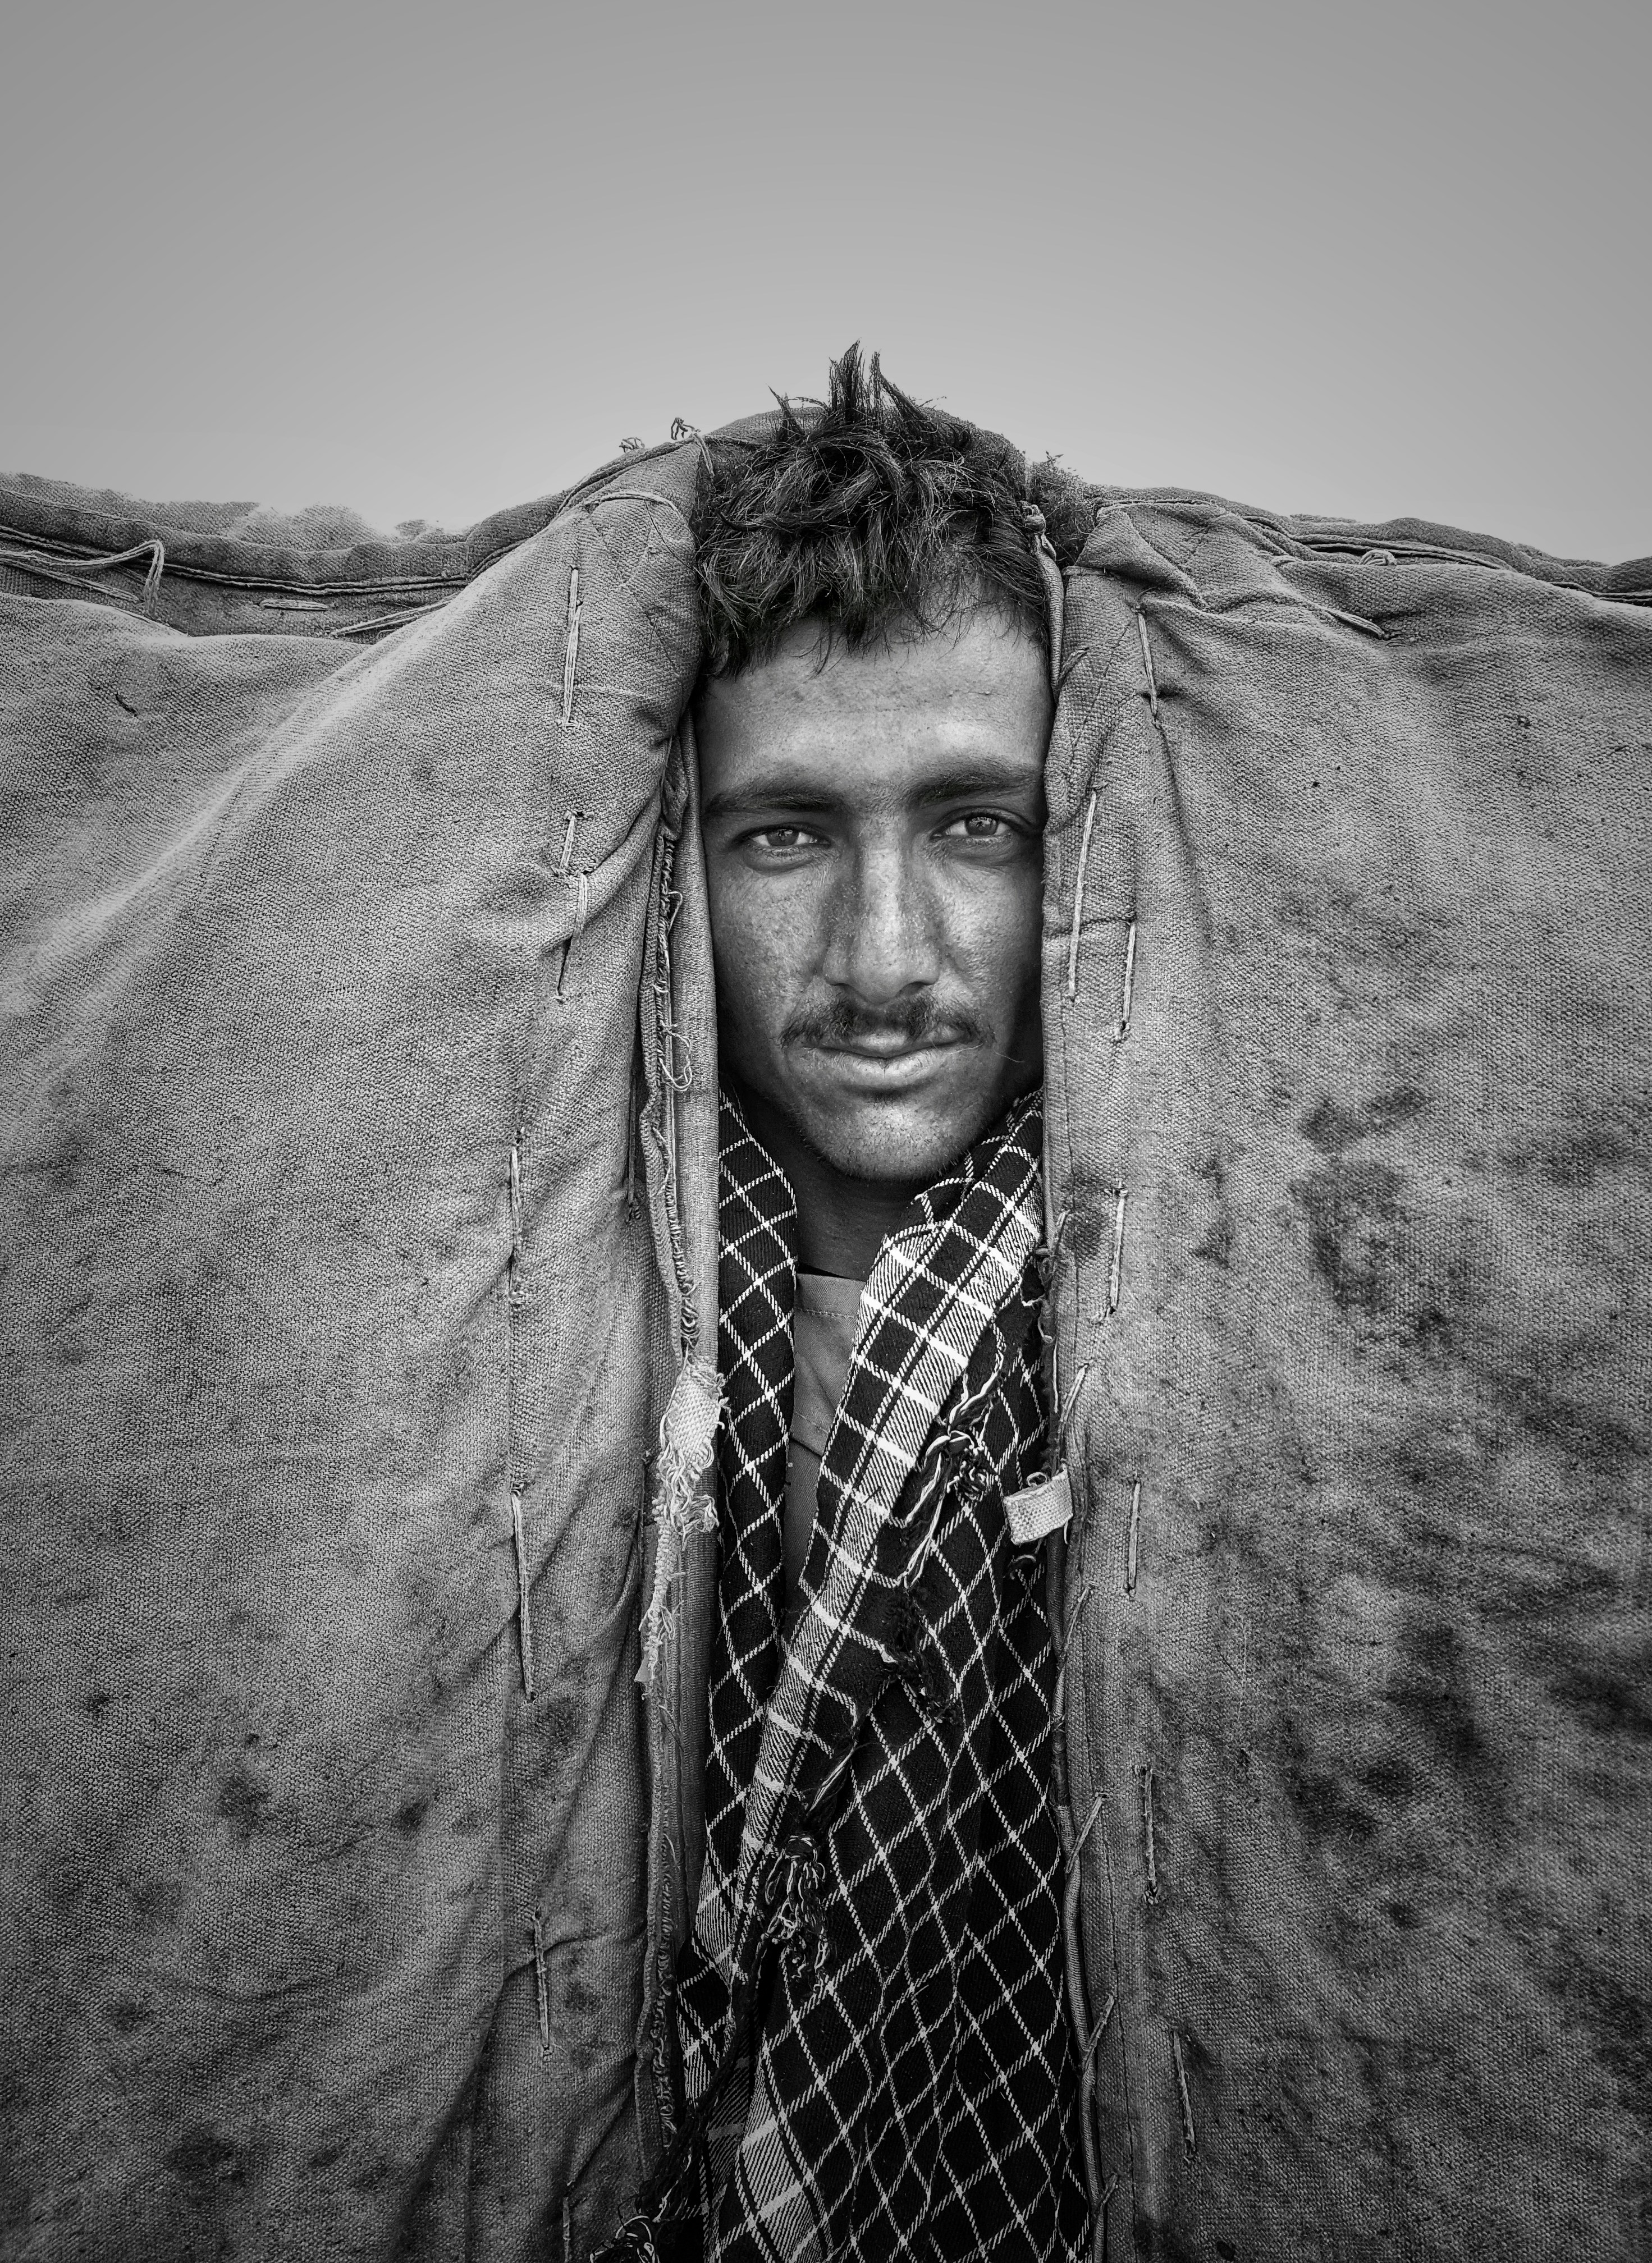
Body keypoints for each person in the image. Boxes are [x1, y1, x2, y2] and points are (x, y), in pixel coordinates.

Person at [615, 350, 1092, 2262]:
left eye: (978, 824)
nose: (887, 961)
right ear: (680, 861)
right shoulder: (577, 1316)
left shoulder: (1161, 1312)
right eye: (787, 833)